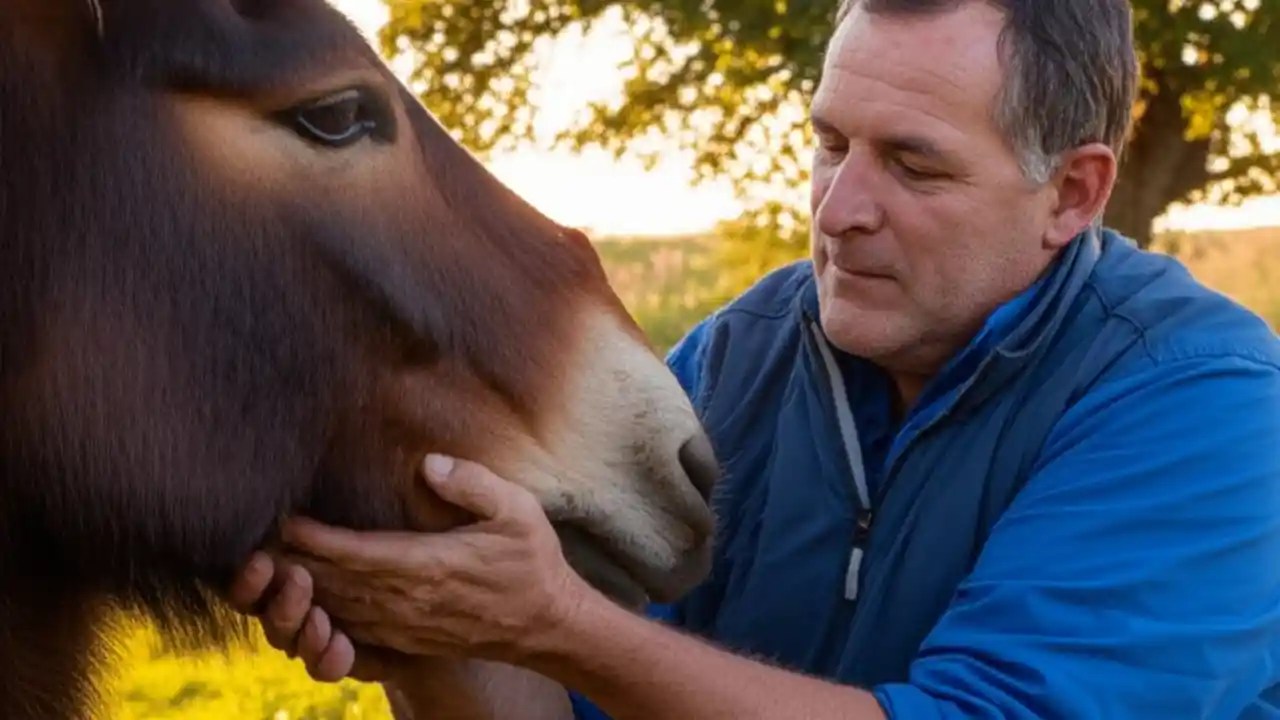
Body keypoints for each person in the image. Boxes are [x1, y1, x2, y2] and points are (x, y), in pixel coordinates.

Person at [229, 0, 1280, 717]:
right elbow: (566, 699)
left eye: (913, 166)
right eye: (830, 143)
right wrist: (429, 626)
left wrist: (554, 623)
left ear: (1072, 194)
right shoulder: (741, 356)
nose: (836, 210)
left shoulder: (1199, 404)